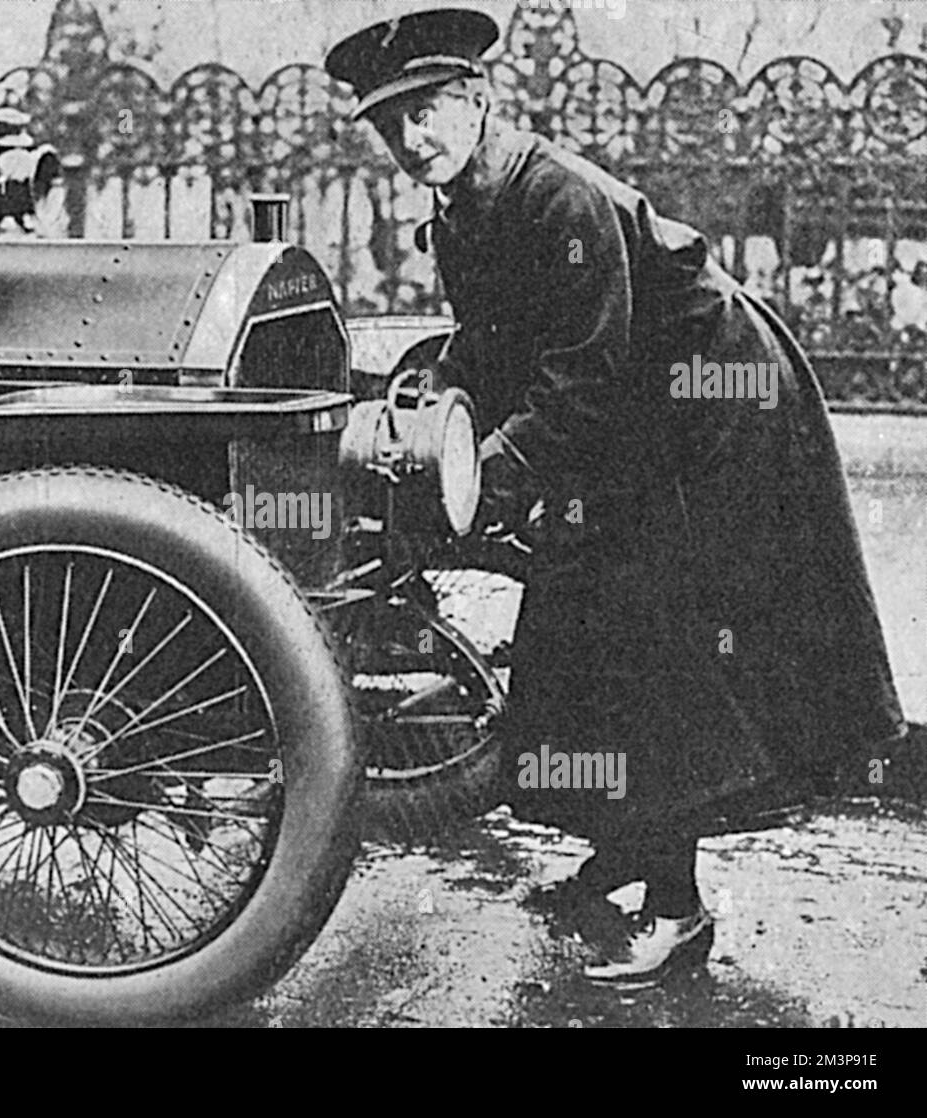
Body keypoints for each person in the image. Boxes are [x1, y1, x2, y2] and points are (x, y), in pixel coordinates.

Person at [326, 7, 907, 987]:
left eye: (426, 111)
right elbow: (493, 339)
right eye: (392, 126)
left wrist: (481, 478)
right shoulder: (461, 209)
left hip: (712, 410)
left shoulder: (557, 196)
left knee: (653, 649)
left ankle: (678, 910)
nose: (412, 139)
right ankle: (619, 852)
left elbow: (583, 377)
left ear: (477, 100)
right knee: (575, 626)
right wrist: (433, 405)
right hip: (635, 411)